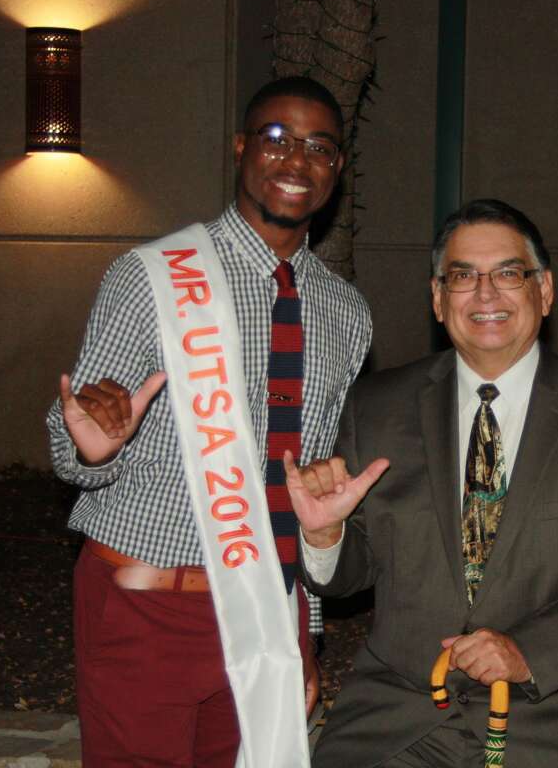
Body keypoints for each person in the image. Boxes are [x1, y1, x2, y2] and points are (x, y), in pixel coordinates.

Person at [46, 76, 371, 766]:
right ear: (240, 148)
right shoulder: (154, 275)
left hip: (261, 613)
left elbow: (306, 495)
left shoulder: (347, 313)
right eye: (276, 138)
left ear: (336, 169)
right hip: (146, 607)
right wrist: (96, 448)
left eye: (319, 146)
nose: (296, 160)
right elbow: (75, 446)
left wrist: (303, 633)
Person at [288, 198, 558, 767]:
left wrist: (530, 652)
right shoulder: (377, 408)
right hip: (401, 717)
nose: (486, 294)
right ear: (437, 297)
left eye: (509, 273)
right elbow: (351, 577)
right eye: (463, 276)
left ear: (544, 291)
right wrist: (326, 539)